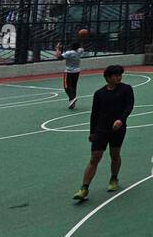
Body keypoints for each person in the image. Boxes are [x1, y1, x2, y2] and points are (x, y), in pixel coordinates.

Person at [73, 65, 135, 202]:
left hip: (117, 129)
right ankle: (84, 188)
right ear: (108, 77)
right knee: (95, 157)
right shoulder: (99, 93)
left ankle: (114, 178)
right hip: (101, 129)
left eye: (120, 75)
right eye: (115, 75)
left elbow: (129, 106)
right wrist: (92, 132)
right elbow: (94, 114)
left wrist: (121, 120)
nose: (119, 77)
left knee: (115, 154)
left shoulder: (126, 89)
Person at [54, 40, 86, 110]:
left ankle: (72, 98)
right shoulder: (79, 51)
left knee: (66, 87)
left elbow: (59, 57)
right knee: (73, 87)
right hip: (77, 71)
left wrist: (58, 48)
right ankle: (72, 103)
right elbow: (82, 47)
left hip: (69, 72)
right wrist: (83, 39)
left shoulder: (69, 53)